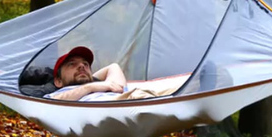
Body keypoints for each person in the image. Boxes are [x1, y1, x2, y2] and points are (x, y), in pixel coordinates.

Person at [46, 46, 184, 102]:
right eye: (72, 64)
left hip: (136, 97)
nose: (81, 66)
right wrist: (90, 87)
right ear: (58, 81)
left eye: (85, 64)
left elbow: (113, 67)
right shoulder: (55, 97)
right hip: (127, 103)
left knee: (190, 83)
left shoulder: (104, 86)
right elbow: (54, 103)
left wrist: (96, 82)